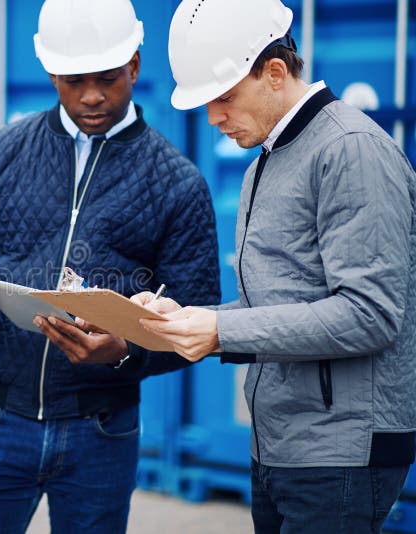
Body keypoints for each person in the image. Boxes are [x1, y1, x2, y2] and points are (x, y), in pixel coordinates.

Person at [0, 0, 220, 532]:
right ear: (50, 72)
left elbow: (196, 321)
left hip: (101, 433)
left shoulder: (178, 184)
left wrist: (123, 354)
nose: (91, 96)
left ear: (134, 63)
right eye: (73, 79)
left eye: (107, 78)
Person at [134, 0, 416, 532]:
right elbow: (281, 306)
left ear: (275, 72)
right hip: (282, 446)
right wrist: (189, 317)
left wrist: (219, 332)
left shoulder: (350, 149)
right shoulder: (268, 159)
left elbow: (371, 313)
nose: (212, 117)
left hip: (342, 453)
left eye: (223, 97)